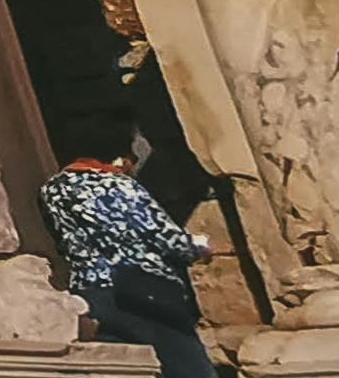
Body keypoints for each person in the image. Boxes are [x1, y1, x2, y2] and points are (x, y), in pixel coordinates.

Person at [39, 123, 212, 378]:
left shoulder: (52, 190)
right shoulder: (120, 186)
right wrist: (198, 246)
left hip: (91, 291)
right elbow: (162, 236)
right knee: (186, 363)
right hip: (143, 288)